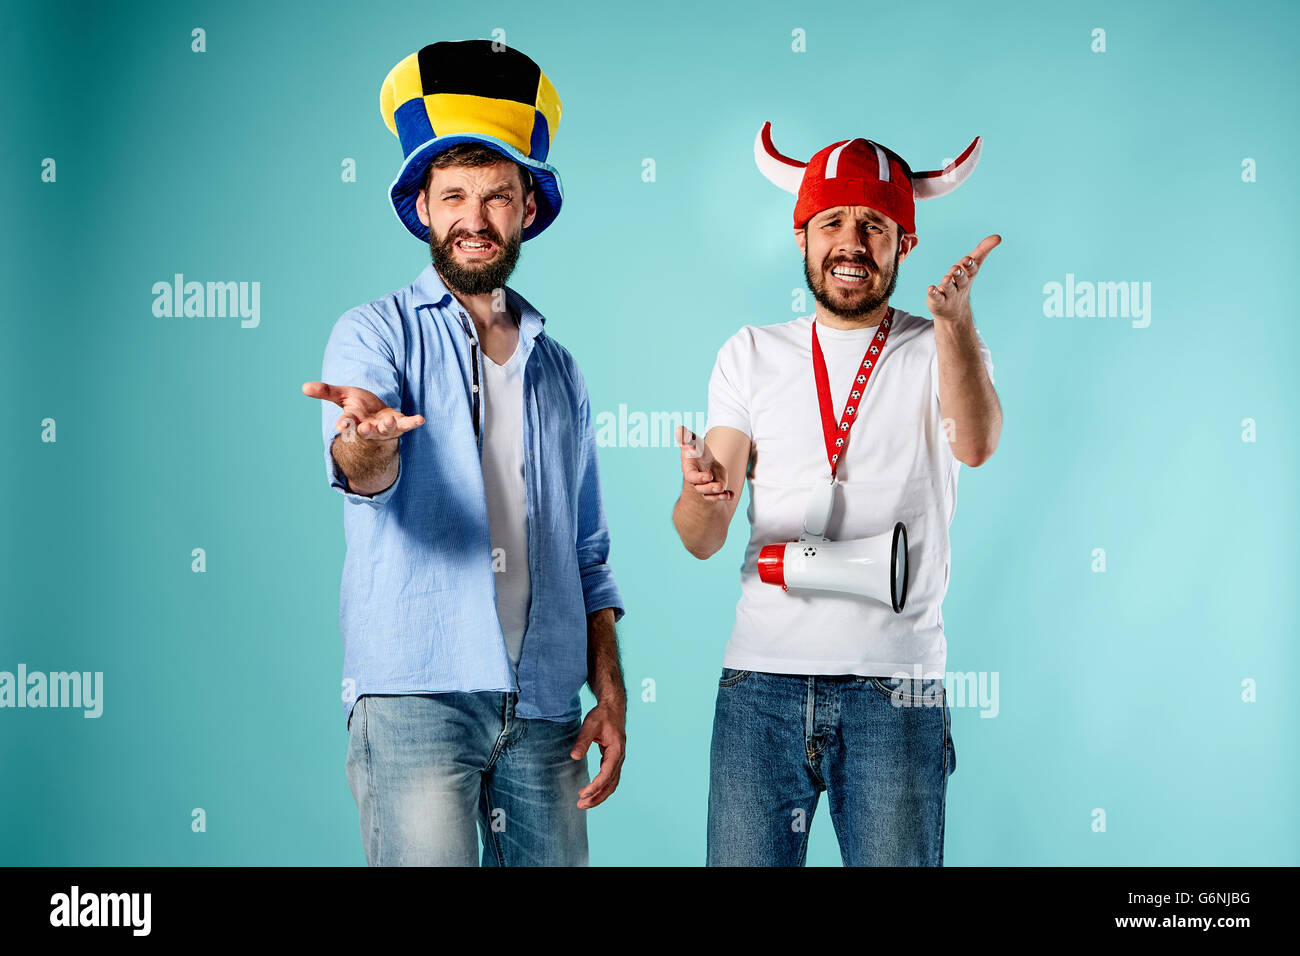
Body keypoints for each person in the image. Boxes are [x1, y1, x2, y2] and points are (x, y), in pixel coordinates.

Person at [301, 40, 626, 866]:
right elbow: (361, 473)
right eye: (454, 197)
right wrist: (366, 441)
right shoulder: (374, 332)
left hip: (547, 705)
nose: (474, 220)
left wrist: (610, 691)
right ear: (424, 209)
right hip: (418, 698)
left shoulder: (559, 369)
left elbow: (590, 554)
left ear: (527, 209)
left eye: (496, 197)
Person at [672, 123, 1002, 866]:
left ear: (904, 244)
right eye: (832, 223)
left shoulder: (939, 344)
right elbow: (702, 533)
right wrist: (702, 491)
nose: (850, 242)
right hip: (760, 689)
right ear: (802, 237)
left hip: (896, 691)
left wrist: (956, 324)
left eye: (874, 225)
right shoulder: (751, 353)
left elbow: (976, 445)